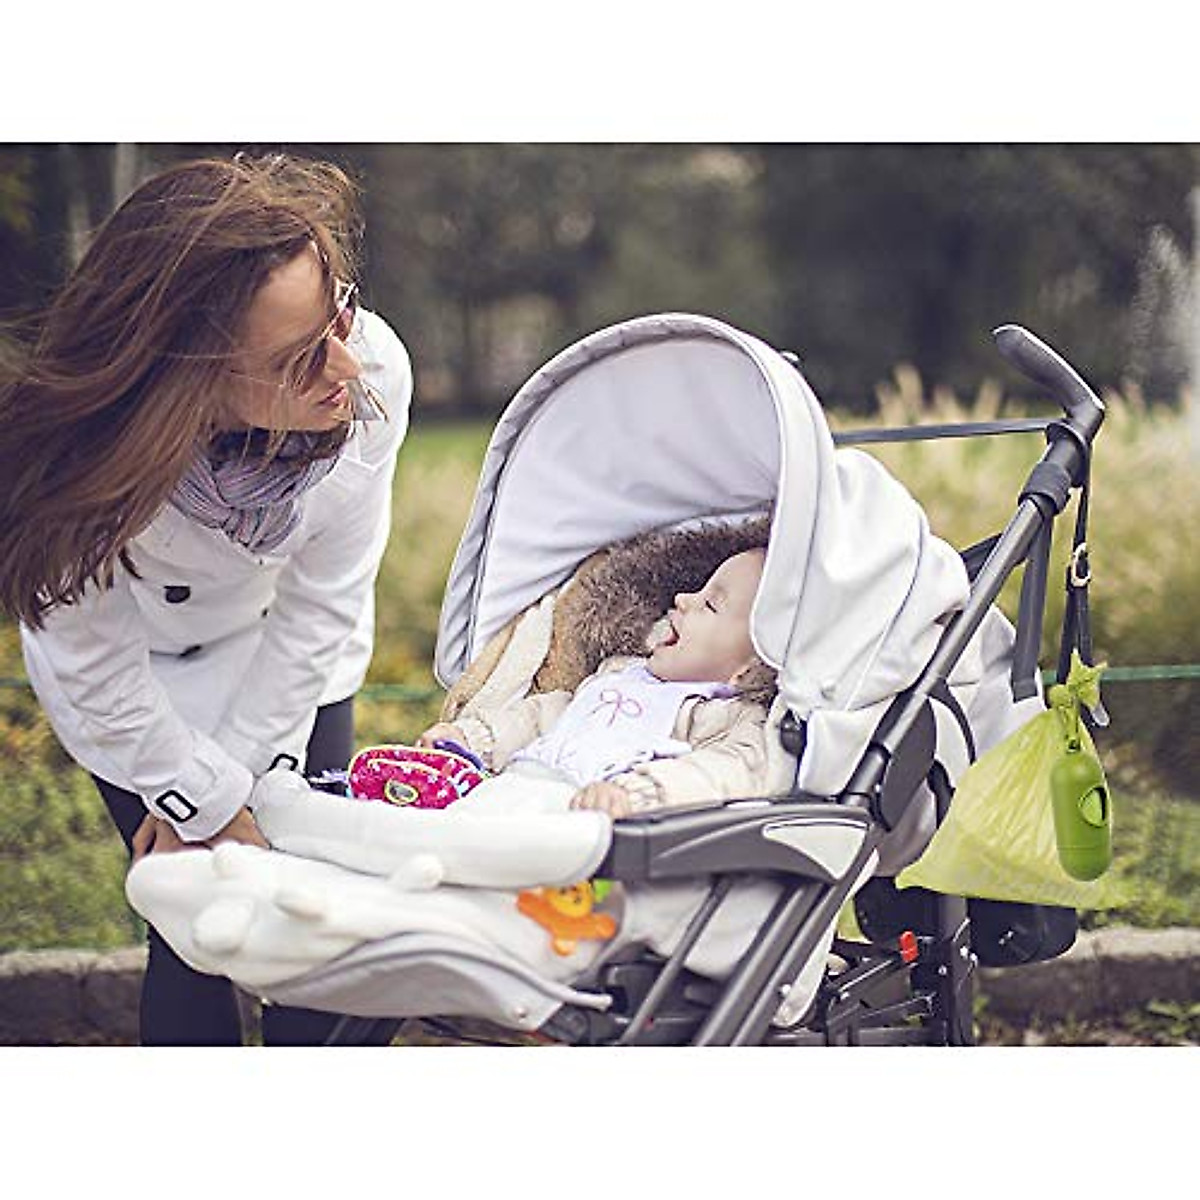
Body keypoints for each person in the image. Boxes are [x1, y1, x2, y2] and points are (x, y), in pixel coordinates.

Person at [0, 153, 412, 1046]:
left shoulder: (372, 373)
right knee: (193, 930)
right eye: (298, 357)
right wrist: (196, 801)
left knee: (313, 916)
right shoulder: (77, 458)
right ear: (191, 377)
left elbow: (320, 607)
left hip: (288, 657)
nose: (344, 363)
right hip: (138, 685)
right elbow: (95, 665)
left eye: (339, 310)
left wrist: (240, 786)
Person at [417, 547, 779, 819]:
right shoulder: (619, 673)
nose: (683, 599)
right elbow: (545, 716)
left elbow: (729, 771)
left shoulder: (723, 717)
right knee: (460, 819)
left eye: (710, 605)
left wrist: (638, 793)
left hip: (586, 822)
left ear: (751, 667)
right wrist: (474, 738)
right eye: (696, 590)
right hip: (515, 786)